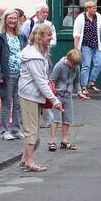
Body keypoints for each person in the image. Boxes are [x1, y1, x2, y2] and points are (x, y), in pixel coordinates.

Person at [17, 24, 61, 173]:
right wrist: (55, 101)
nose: (51, 39)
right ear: (40, 37)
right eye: (48, 36)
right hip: (30, 95)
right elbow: (40, 81)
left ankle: (24, 159)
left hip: (32, 95)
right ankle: (29, 162)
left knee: (33, 129)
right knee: (31, 130)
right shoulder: (34, 56)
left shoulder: (36, 53)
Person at [0, 9, 23, 139]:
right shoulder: (0, 36)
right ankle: (5, 131)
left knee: (18, 103)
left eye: (14, 18)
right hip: (7, 74)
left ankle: (16, 129)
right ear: (5, 20)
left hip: (20, 73)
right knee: (7, 103)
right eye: (10, 18)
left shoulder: (21, 35)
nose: (12, 21)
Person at [47, 49, 82, 152]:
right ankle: (52, 141)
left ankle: (64, 141)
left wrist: (79, 92)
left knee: (67, 119)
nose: (73, 66)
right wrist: (53, 95)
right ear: (68, 58)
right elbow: (52, 80)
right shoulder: (59, 66)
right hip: (58, 95)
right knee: (56, 118)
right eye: (72, 64)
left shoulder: (76, 67)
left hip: (68, 95)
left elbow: (77, 81)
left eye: (75, 65)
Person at [74, 0, 101, 97]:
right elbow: (76, 34)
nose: (95, 10)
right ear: (88, 9)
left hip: (96, 45)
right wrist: (76, 48)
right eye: (93, 8)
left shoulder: (98, 16)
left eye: (96, 8)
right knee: (86, 66)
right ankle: (83, 86)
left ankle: (91, 82)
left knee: (100, 63)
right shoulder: (81, 18)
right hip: (85, 45)